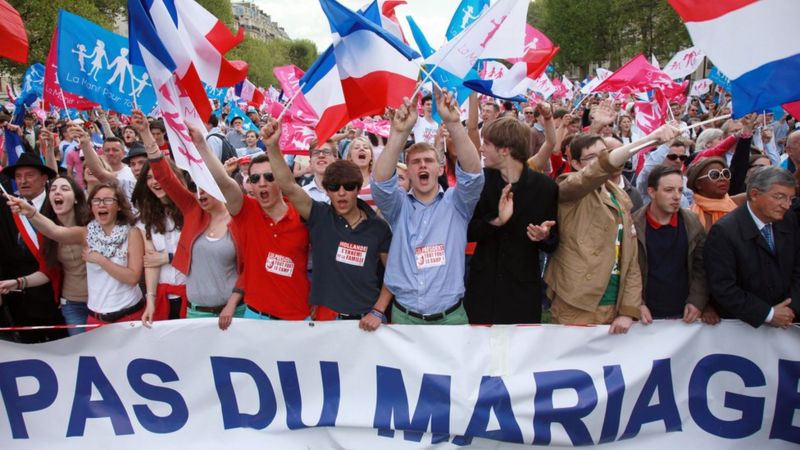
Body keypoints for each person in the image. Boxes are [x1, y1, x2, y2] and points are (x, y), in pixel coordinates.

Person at [543, 99, 680, 334]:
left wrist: (628, 308)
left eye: (606, 154)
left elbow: (630, 258)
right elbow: (591, 175)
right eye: (593, 157)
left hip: (614, 302)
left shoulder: (621, 195)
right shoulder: (568, 188)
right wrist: (651, 138)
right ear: (574, 164)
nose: (604, 161)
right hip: (577, 301)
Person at [262, 120, 393, 329]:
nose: (341, 193)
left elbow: (394, 272)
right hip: (326, 320)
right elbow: (288, 185)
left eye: (349, 187)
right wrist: (272, 148)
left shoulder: (378, 227)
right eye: (334, 187)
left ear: (358, 189)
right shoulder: (319, 215)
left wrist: (378, 310)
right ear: (327, 191)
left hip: (367, 321)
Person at [371, 89, 484, 325]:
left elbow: (473, 175)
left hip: (450, 319)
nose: (422, 165)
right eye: (415, 162)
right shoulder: (398, 206)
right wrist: (399, 134)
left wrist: (454, 123)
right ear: (408, 171)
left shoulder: (457, 203)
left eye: (429, 161)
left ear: (440, 169)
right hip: (406, 318)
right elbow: (381, 183)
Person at [131, 111, 246, 326]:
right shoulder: (193, 211)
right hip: (195, 314)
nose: (201, 194)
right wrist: (146, 134)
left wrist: (232, 303)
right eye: (197, 188)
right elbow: (165, 177)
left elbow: (248, 269)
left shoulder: (239, 219)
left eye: (207, 188)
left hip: (234, 314)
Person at [193, 125, 311, 322]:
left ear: (280, 180)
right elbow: (223, 182)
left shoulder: (303, 213)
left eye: (269, 177)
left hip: (297, 319)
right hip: (255, 318)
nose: (262, 183)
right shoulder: (247, 211)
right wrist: (201, 145)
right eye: (255, 178)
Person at [8, 181, 145, 326]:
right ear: (91, 206)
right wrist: (31, 213)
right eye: (96, 200)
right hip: (96, 318)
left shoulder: (132, 233)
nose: (101, 204)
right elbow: (55, 231)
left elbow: (133, 277)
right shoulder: (85, 233)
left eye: (108, 200)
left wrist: (101, 260)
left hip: (129, 314)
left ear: (119, 206)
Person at [464, 116, 559, 324]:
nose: (481, 149)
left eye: (487, 144)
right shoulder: (481, 182)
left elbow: (554, 242)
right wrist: (497, 221)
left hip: (522, 292)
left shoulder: (545, 188)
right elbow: (467, 231)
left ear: (505, 149)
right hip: (483, 289)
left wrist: (544, 235)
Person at [704, 167, 800, 328]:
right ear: (755, 194)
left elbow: (798, 268)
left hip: (787, 321)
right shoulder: (725, 231)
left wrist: (790, 308)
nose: (786, 205)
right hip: (743, 329)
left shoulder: (788, 220)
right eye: (779, 197)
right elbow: (723, 287)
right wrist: (768, 314)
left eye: (791, 198)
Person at [0, 176, 91, 335]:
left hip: (99, 304)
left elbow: (58, 232)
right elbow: (47, 272)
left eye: (64, 189)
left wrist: (30, 212)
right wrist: (17, 283)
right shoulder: (45, 233)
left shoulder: (91, 225)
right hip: (71, 305)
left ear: (76, 198)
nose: (57, 192)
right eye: (53, 189)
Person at [0, 153, 65, 342]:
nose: (23, 181)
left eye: (29, 175)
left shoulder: (58, 203)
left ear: (44, 178)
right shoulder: (6, 208)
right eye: (19, 177)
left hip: (59, 296)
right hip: (21, 299)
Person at [633, 165, 708, 324]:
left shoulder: (692, 222)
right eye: (668, 190)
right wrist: (635, 304)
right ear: (651, 192)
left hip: (684, 315)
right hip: (645, 317)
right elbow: (626, 270)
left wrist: (697, 300)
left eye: (680, 190)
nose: (676, 196)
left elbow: (702, 267)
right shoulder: (633, 225)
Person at [132, 159, 186, 322]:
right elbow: (151, 262)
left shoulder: (192, 210)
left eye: (159, 175)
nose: (155, 181)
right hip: (163, 296)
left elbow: (198, 254)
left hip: (193, 296)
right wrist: (150, 299)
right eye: (149, 177)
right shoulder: (144, 220)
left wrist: (167, 258)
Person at [686, 157, 745, 231]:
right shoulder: (688, 216)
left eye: (725, 174)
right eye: (714, 175)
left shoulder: (740, 203)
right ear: (698, 184)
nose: (722, 178)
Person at [346, 136, 376, 208]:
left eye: (366, 147)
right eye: (356, 148)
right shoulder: (343, 180)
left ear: (371, 156)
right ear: (350, 157)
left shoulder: (378, 179)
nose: (362, 149)